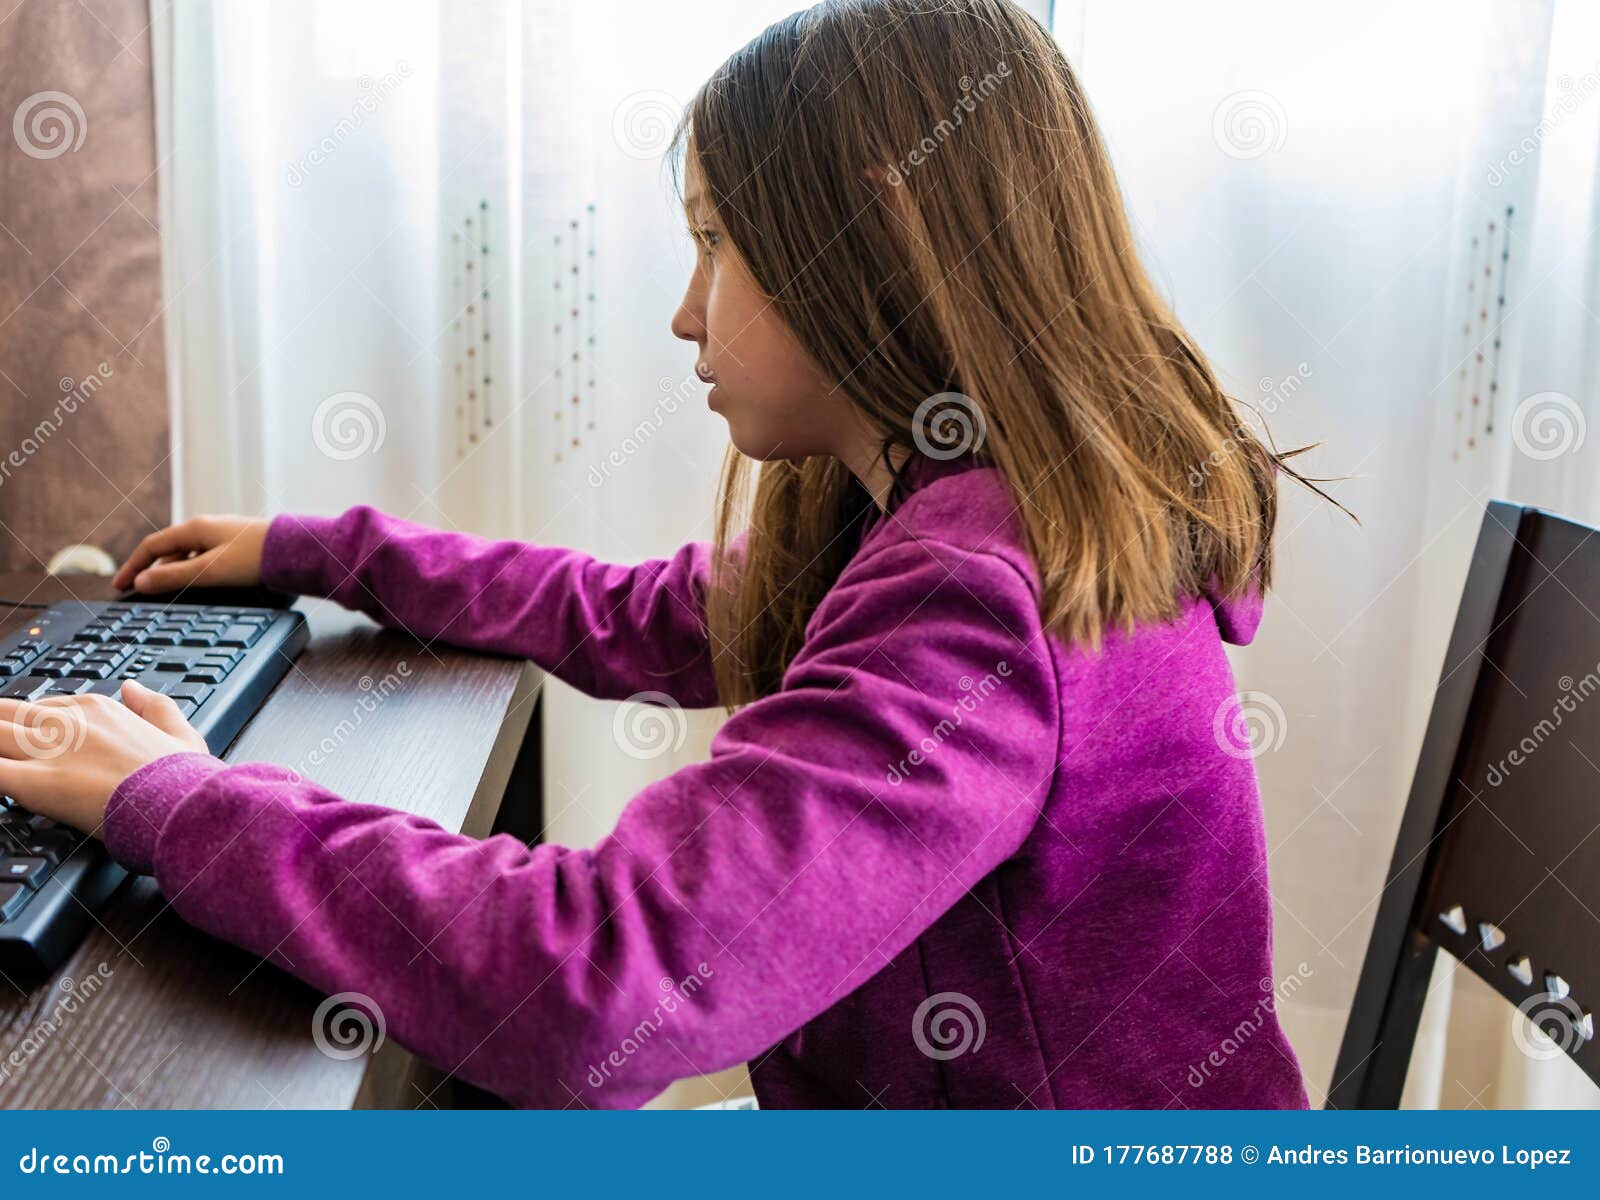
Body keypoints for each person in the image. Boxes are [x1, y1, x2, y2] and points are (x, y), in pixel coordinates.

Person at [0, 0, 1322, 1108]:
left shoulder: (979, 589)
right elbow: (636, 615)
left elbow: (602, 983)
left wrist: (174, 797)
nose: (684, 314)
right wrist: (321, 550)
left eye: (713, 245)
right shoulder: (953, 505)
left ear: (872, 238)